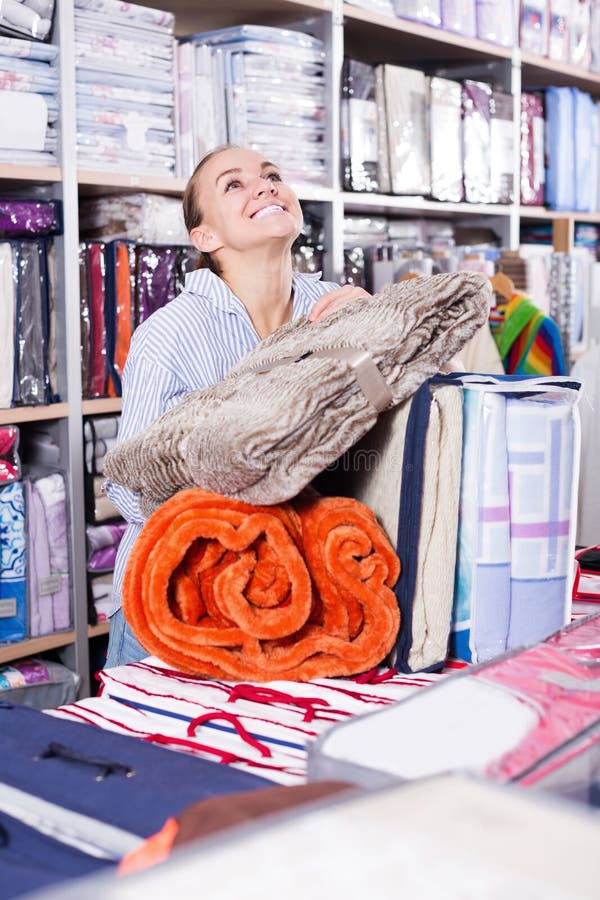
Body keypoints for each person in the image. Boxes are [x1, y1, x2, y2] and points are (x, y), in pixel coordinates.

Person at [104, 144, 370, 668]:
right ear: (206, 237)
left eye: (272, 175)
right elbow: (128, 485)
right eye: (235, 184)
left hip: (301, 595)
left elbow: (387, 418)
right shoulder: (170, 335)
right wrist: (233, 522)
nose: (265, 185)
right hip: (176, 600)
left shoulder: (338, 308)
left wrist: (375, 331)